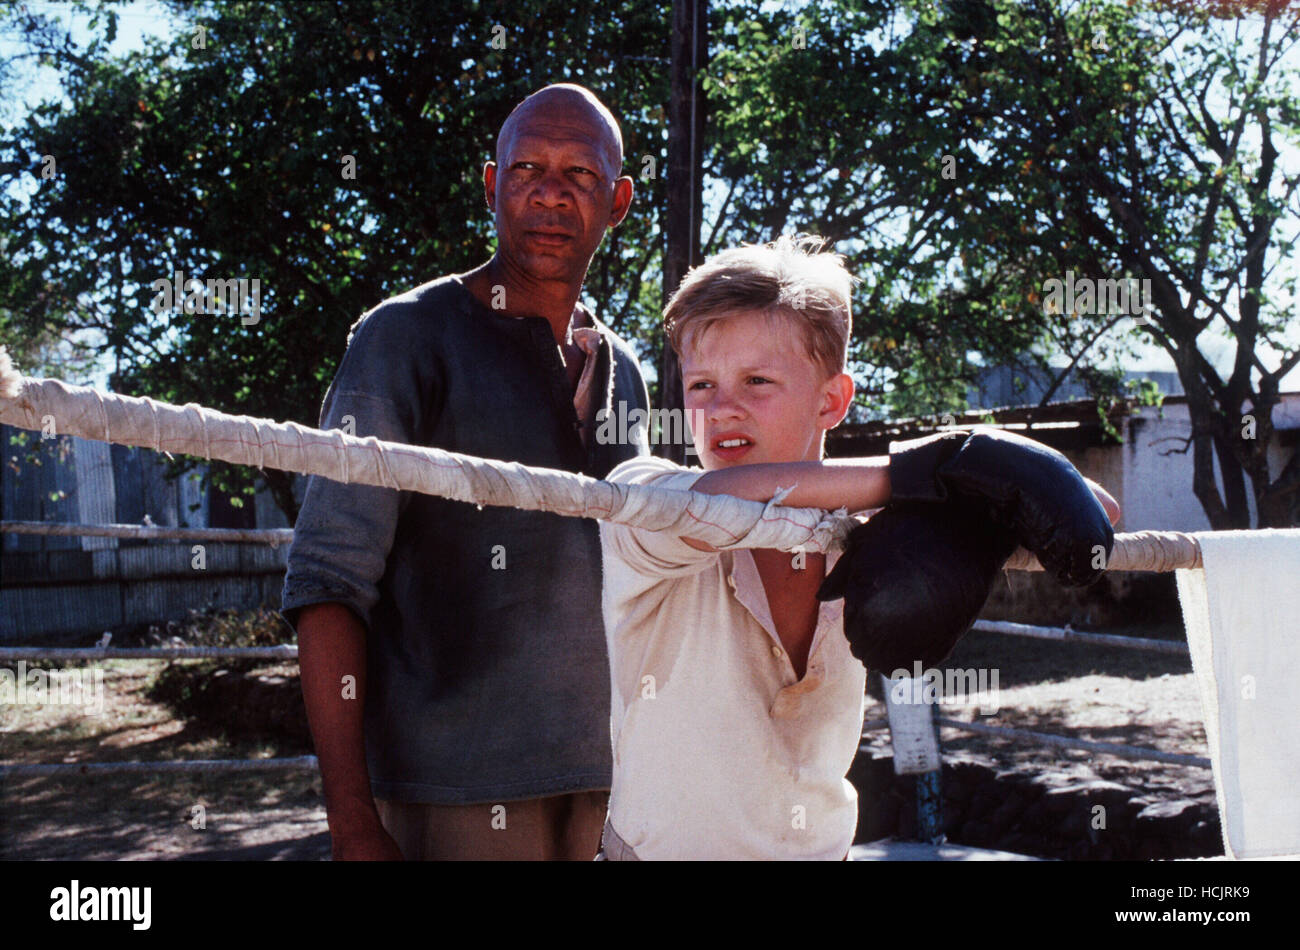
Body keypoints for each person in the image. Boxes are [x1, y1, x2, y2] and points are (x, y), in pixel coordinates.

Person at [596, 235, 1120, 859]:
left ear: (832, 400)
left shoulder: (865, 520)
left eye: (757, 379)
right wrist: (922, 473)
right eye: (702, 384)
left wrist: (984, 469)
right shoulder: (643, 497)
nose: (724, 408)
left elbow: (1094, 511)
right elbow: (715, 502)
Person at [281, 84, 650, 860]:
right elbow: (326, 583)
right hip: (446, 797)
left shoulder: (627, 373)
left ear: (616, 203)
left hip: (618, 790)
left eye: (580, 175)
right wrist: (352, 823)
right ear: (491, 186)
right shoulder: (405, 339)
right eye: (528, 170)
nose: (550, 193)